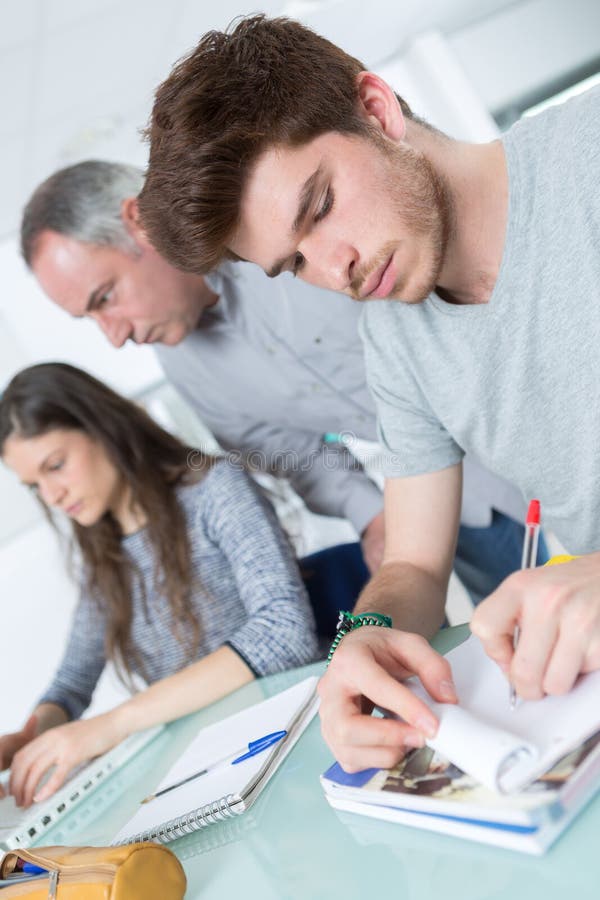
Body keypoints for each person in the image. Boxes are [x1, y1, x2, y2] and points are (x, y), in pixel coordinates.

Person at [137, 15, 600, 771]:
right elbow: (415, 565)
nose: (335, 270)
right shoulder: (396, 339)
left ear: (377, 109)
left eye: (319, 207)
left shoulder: (588, 154)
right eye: (294, 265)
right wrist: (365, 642)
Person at [20, 162, 543, 639]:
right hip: (463, 513)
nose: (112, 336)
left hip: (540, 437)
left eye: (105, 298)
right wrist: (370, 515)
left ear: (138, 222)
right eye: (89, 319)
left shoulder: (291, 226)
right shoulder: (183, 365)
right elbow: (285, 450)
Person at [0, 362, 319, 807]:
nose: (51, 496)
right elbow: (70, 687)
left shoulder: (214, 489)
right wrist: (30, 740)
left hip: (294, 744)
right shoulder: (105, 554)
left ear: (102, 427)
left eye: (55, 465)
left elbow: (284, 635)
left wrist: (115, 723)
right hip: (212, 769)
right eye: (35, 486)